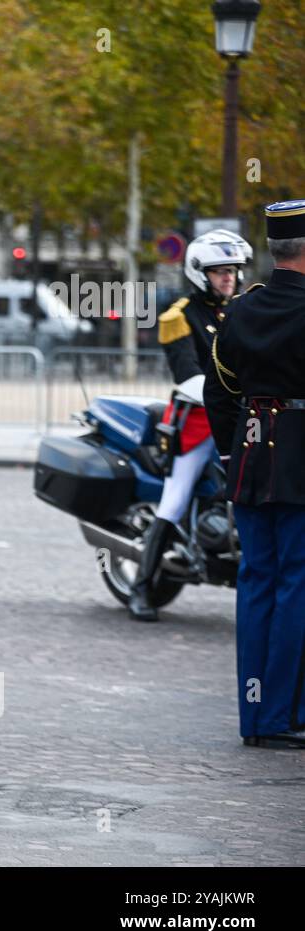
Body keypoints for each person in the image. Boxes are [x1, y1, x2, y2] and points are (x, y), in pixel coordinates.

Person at [205, 199, 305, 749]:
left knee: (256, 582)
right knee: (297, 585)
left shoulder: (241, 309)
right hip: (299, 460)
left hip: (251, 457)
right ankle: (281, 714)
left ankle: (254, 716)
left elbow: (218, 386)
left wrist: (230, 452)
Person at [129, 229, 251, 621]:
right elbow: (189, 377)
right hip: (197, 421)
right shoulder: (178, 316)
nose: (228, 278)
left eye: (232, 271)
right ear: (200, 273)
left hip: (241, 416)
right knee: (176, 497)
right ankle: (142, 588)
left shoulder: (245, 310)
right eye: (219, 272)